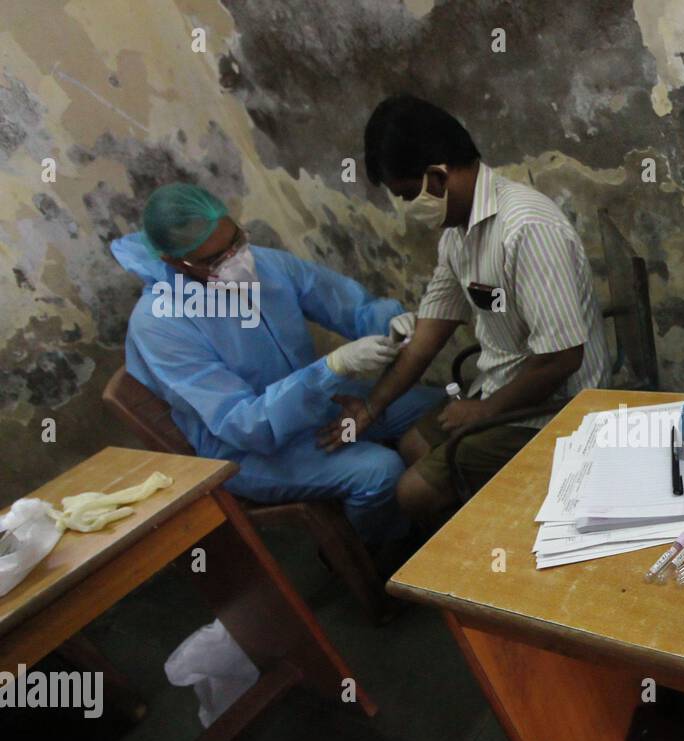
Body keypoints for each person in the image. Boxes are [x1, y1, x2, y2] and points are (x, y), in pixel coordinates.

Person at [322, 95, 611, 521]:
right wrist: (371, 408)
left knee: (412, 494)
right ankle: (479, 524)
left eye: (406, 195)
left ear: (437, 177)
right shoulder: (458, 235)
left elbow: (563, 358)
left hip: (559, 405)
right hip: (503, 385)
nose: (406, 208)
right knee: (410, 446)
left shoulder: (527, 228)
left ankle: (477, 555)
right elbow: (425, 339)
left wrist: (484, 411)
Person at [113, 183, 439, 546]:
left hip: (320, 405)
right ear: (175, 262)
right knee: (379, 471)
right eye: (214, 259)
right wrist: (330, 369)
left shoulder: (265, 264)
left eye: (236, 241)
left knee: (436, 408)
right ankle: (389, 563)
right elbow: (240, 423)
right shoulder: (162, 324)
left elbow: (346, 304)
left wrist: (391, 323)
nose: (236, 259)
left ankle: (434, 521)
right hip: (248, 450)